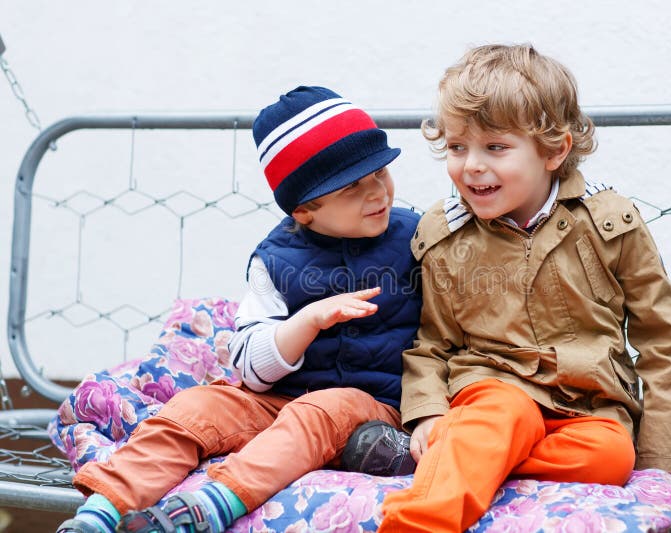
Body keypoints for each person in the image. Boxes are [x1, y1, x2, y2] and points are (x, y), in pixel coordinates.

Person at [57, 85, 422, 533]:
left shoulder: (417, 238)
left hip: (375, 407)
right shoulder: (275, 260)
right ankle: (98, 513)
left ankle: (210, 506)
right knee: (197, 406)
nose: (378, 192)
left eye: (381, 172)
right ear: (304, 210)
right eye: (353, 187)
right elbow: (252, 371)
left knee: (323, 409)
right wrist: (306, 322)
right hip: (278, 401)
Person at [376, 44, 671, 533]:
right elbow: (432, 344)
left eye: (495, 147)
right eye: (458, 147)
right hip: (493, 388)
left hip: (587, 404)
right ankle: (417, 522)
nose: (471, 165)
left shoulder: (609, 224)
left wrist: (660, 458)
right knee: (501, 417)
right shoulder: (447, 236)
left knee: (611, 457)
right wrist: (428, 414)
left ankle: (466, 458)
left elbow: (664, 340)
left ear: (554, 150)